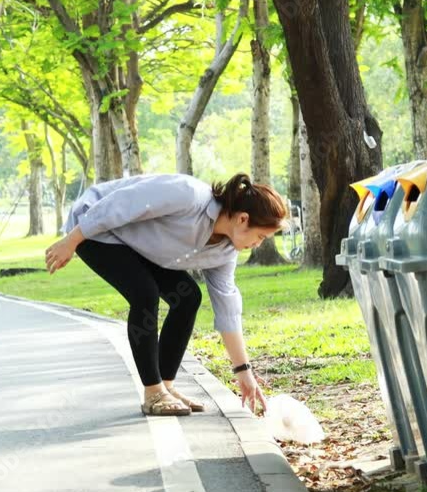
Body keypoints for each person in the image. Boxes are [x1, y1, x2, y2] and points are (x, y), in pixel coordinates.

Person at [44, 172, 287, 416]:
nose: (258, 244)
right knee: (144, 293)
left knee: (188, 297)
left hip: (138, 245)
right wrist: (71, 240)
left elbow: (228, 309)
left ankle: (166, 388)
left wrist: (243, 372)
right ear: (243, 219)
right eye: (260, 237)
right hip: (95, 226)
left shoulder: (224, 253)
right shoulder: (188, 195)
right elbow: (120, 204)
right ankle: (153, 392)